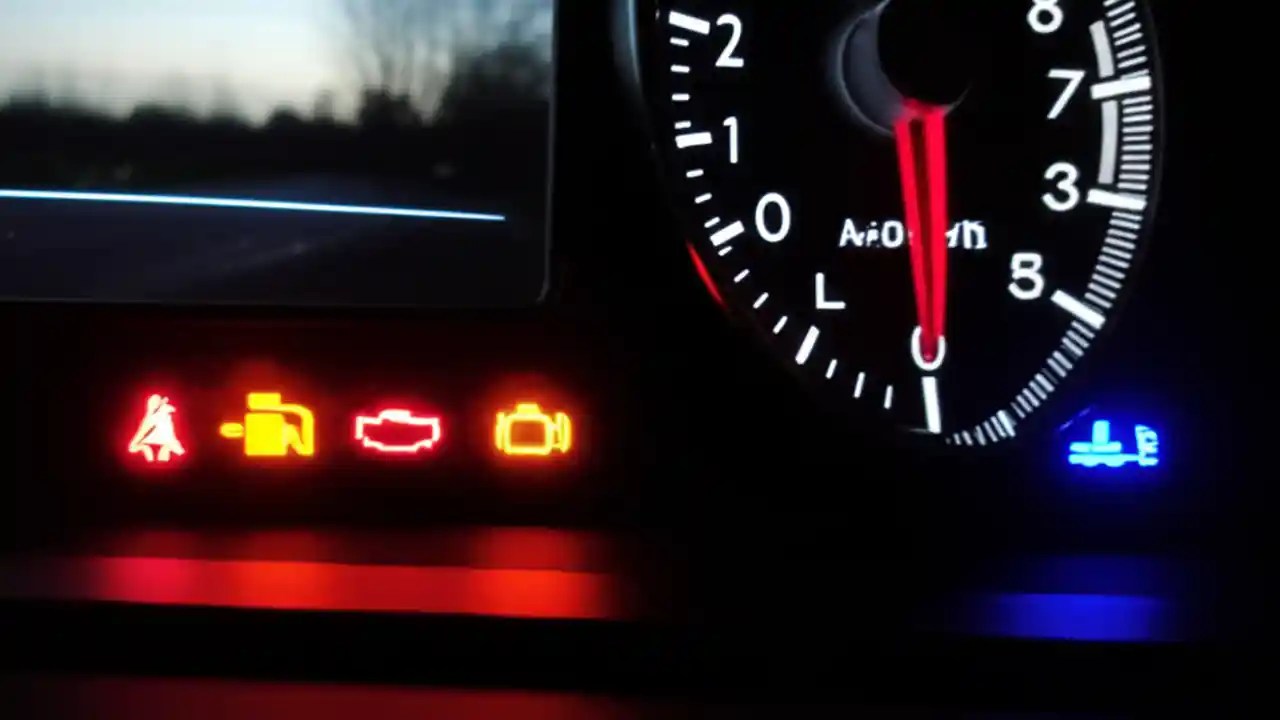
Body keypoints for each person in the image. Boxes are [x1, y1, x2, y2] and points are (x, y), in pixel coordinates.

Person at [128, 394, 186, 463]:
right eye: (151, 401)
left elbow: (143, 431)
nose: (152, 403)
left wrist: (134, 445)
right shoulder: (158, 413)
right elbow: (143, 430)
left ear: (164, 400)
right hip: (163, 445)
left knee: (163, 452)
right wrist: (143, 447)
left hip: (168, 445)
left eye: (155, 400)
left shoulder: (161, 412)